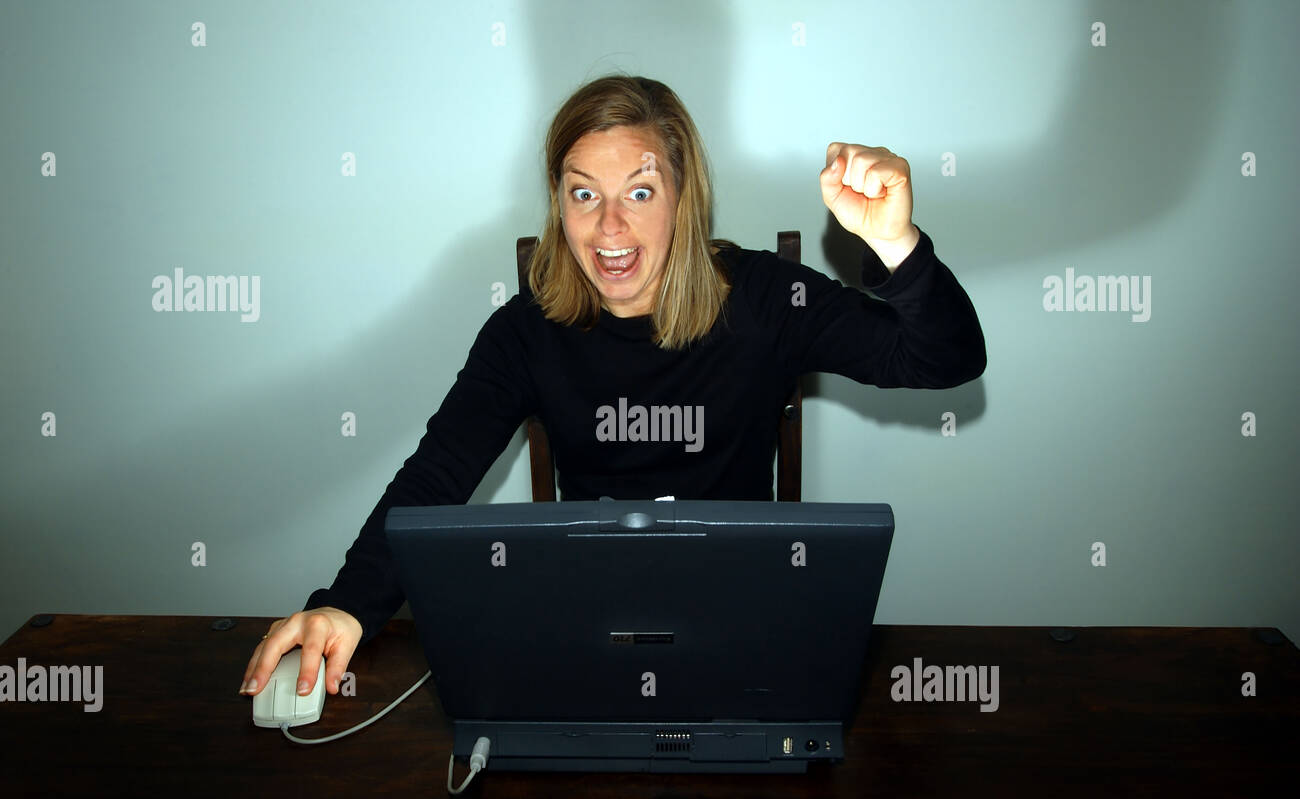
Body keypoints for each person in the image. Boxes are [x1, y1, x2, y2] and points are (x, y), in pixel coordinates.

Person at [239, 75, 986, 702]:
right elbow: (436, 473)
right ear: (558, 205)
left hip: (741, 614)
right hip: (587, 615)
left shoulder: (764, 300)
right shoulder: (525, 332)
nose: (610, 228)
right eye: (583, 195)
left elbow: (944, 358)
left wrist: (896, 242)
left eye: (639, 190)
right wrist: (346, 605)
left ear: (683, 196)